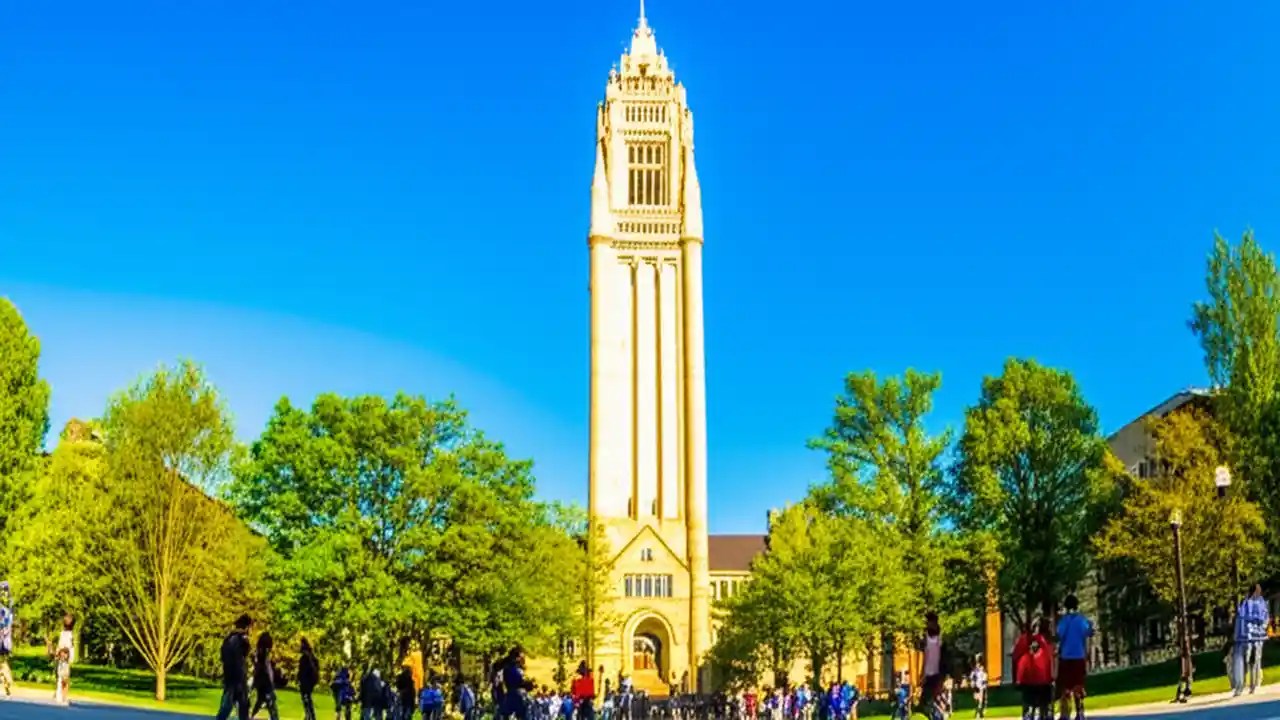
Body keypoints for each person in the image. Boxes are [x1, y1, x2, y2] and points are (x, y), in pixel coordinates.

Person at [1056, 596, 1094, 720]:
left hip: (1066, 657)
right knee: (1078, 685)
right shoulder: (1081, 620)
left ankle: (1065, 713)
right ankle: (1080, 711)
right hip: (1079, 656)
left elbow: (1059, 634)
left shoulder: (1064, 621)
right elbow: (1089, 631)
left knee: (1065, 686)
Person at [1234, 583, 1270, 697]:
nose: (1258, 593)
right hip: (1247, 636)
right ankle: (1242, 685)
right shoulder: (1246, 603)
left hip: (1257, 636)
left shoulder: (1261, 602)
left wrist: (1263, 626)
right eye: (1257, 591)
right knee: (1247, 660)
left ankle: (1253, 684)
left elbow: (1265, 618)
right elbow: (1242, 618)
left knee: (1254, 660)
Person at [1013, 619, 1053, 720]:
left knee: (1029, 704)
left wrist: (1017, 679)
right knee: (1044, 704)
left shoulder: (1024, 639)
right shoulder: (1042, 640)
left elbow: (1016, 657)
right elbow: (1049, 658)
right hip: (1042, 679)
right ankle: (1044, 714)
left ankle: (1030, 714)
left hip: (1028, 680)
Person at [216, 615, 253, 720]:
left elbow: (223, 656)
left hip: (230, 675)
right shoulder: (242, 638)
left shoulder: (228, 639)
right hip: (238, 676)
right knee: (240, 705)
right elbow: (245, 653)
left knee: (229, 704)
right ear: (247, 626)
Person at [917, 612, 950, 715]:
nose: (927, 625)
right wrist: (922, 673)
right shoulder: (926, 637)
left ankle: (943, 710)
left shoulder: (940, 638)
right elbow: (925, 656)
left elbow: (943, 657)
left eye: (929, 622)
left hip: (937, 673)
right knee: (923, 703)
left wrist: (943, 675)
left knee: (932, 697)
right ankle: (938, 711)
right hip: (928, 673)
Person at [251, 632, 281, 720]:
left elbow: (257, 667)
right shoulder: (264, 653)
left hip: (260, 681)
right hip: (265, 681)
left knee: (260, 700)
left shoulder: (258, 652)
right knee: (271, 702)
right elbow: (267, 668)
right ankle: (274, 718)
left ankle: (252, 716)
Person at [53, 613, 75, 706]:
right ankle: (62, 696)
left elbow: (64, 646)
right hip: (64, 657)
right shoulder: (66, 634)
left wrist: (59, 653)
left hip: (64, 657)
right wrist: (59, 653)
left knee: (62, 677)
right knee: (62, 677)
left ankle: (61, 696)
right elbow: (67, 646)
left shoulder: (66, 634)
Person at [299, 639, 321, 720]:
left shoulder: (305, 658)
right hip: (310, 681)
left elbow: (303, 671)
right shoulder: (312, 657)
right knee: (307, 698)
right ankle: (309, 715)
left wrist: (300, 679)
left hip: (306, 681)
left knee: (306, 698)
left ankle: (310, 715)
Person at [0, 581, 14, 699]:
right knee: (3, 663)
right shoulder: (8, 609)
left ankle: (7, 683)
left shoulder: (5, 610)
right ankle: (6, 685)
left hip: (3, 639)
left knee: (3, 663)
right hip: (5, 640)